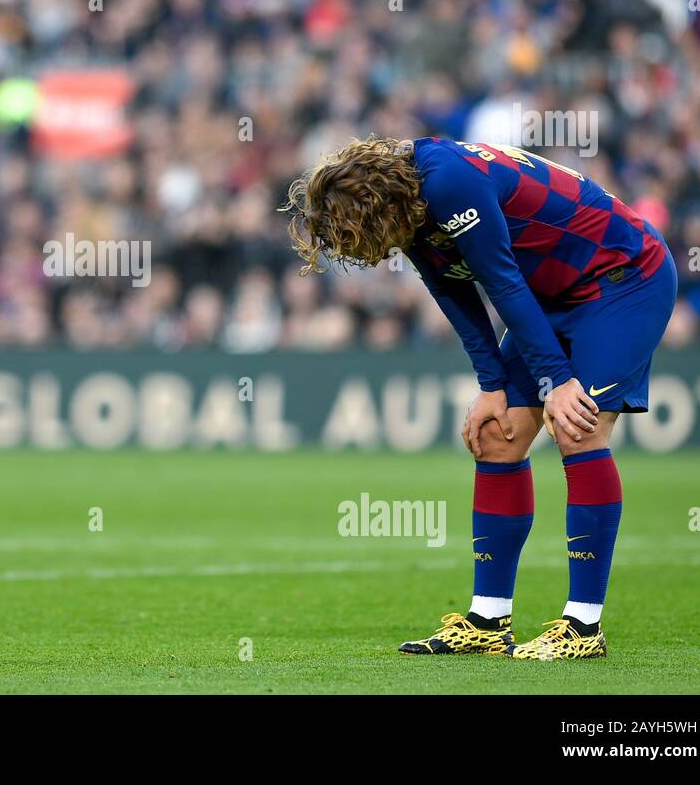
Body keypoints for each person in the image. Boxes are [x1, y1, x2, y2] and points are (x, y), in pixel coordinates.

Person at [284, 135, 677, 659]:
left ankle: (584, 628)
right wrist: (491, 386)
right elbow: (451, 290)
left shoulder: (448, 180)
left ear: (375, 206)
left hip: (622, 278)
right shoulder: (405, 199)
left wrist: (558, 381)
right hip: (552, 296)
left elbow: (502, 282)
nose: (363, 250)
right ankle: (489, 620)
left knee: (577, 427)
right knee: (496, 435)